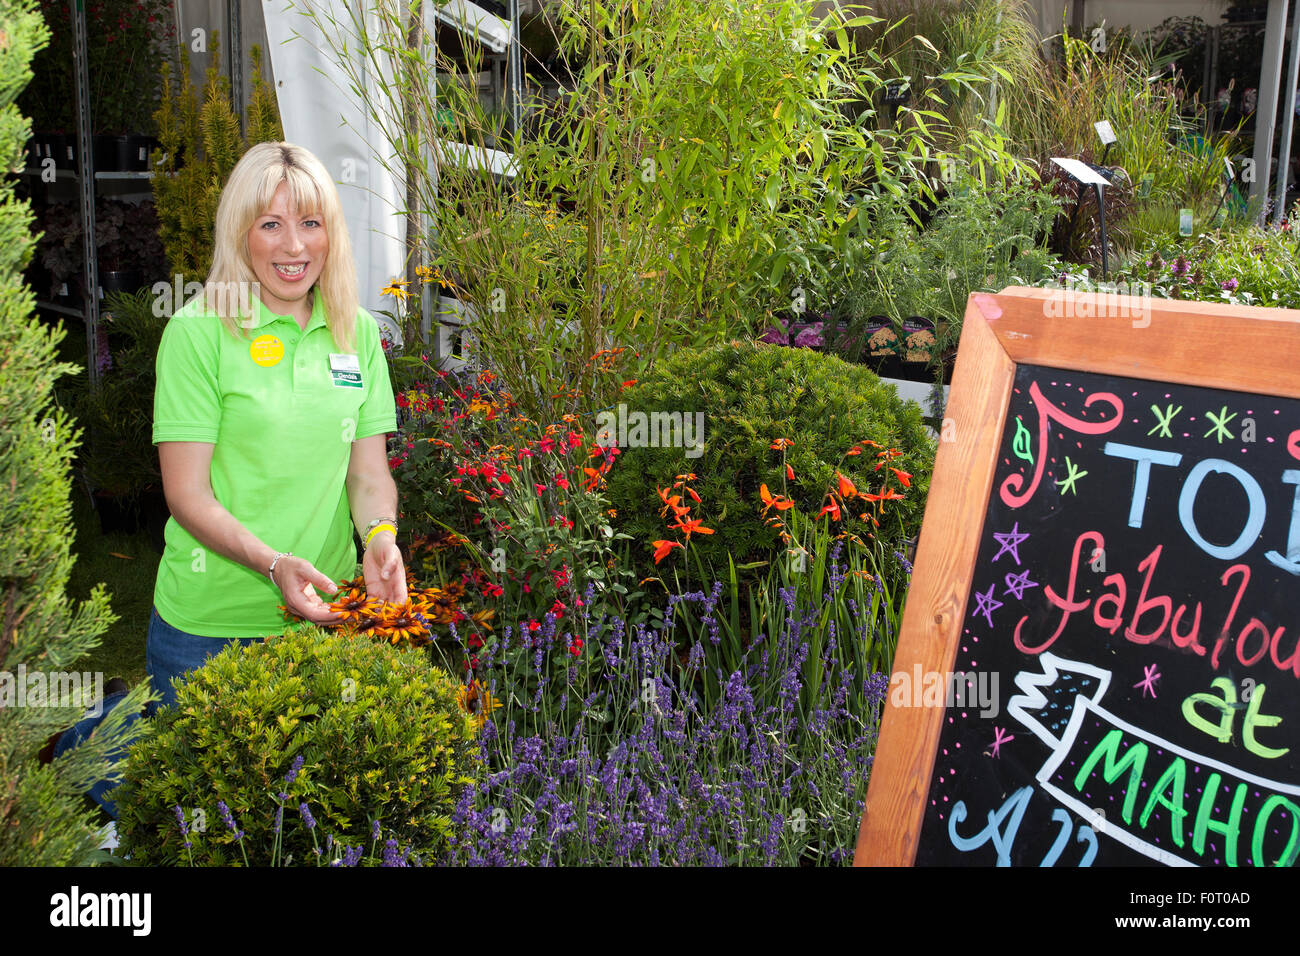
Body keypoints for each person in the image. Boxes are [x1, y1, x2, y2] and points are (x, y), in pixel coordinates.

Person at [49, 142, 406, 816]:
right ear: (240, 233)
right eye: (270, 224)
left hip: (321, 616)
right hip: (209, 624)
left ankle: (117, 725)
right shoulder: (198, 334)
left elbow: (368, 472)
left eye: (311, 222)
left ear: (332, 230)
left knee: (282, 813)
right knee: (188, 814)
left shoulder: (355, 333)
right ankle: (89, 749)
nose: (293, 245)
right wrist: (272, 565)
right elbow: (186, 494)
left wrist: (380, 536)